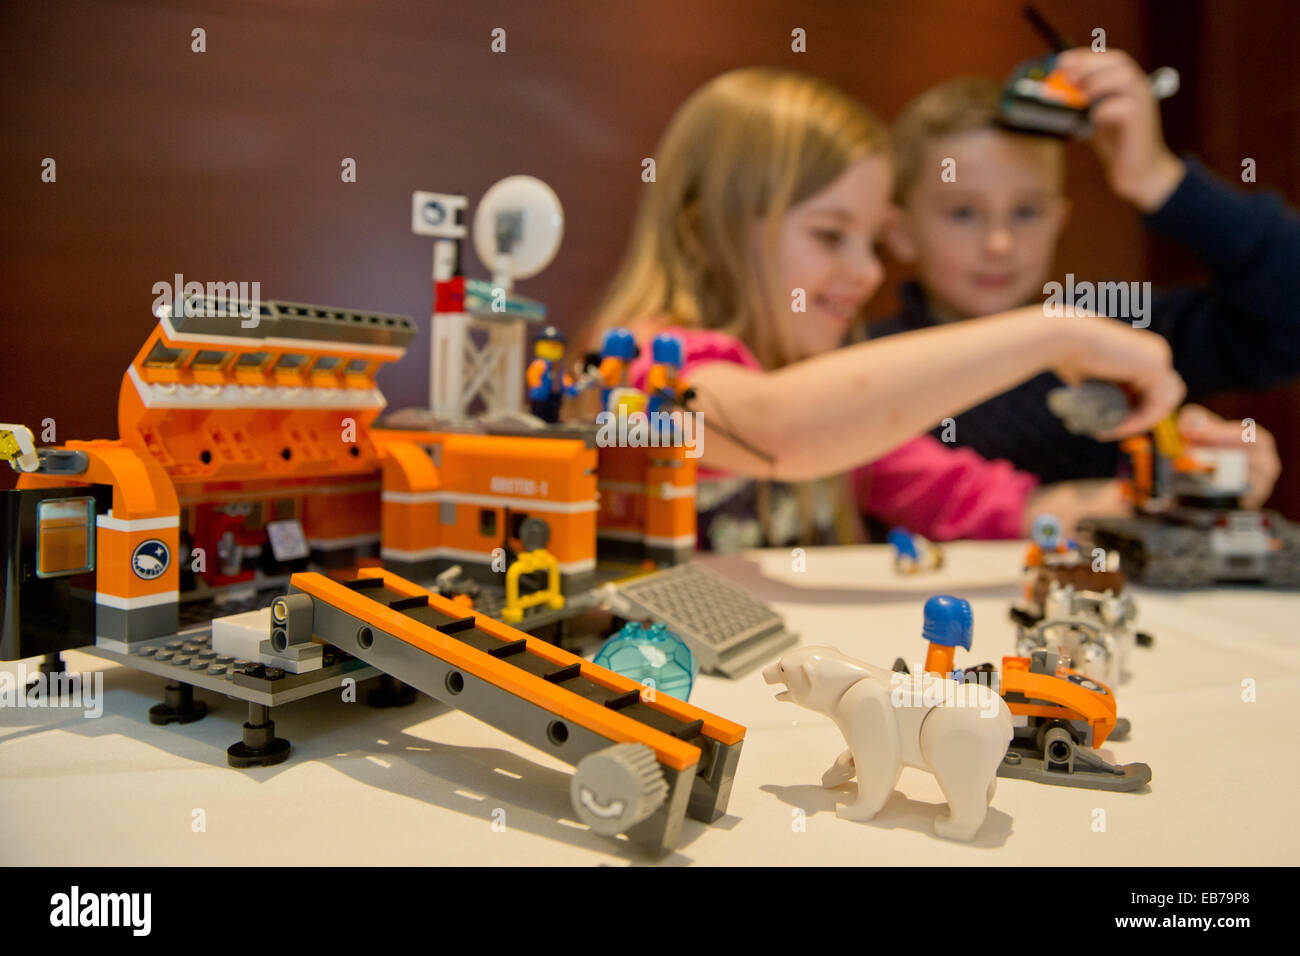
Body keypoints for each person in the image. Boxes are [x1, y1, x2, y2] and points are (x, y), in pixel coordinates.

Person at [583, 67, 1184, 552]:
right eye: (828, 235)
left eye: (871, 242)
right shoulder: (635, 366)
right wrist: (1058, 334)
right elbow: (774, 430)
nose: (868, 272)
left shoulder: (834, 410)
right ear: (709, 229)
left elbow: (979, 500)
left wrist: (1176, 487)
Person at [865, 51, 1290, 526]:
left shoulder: (1114, 330)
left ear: (1059, 220)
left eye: (1026, 211)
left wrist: (1161, 181)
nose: (999, 244)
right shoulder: (861, 365)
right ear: (898, 231)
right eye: (963, 212)